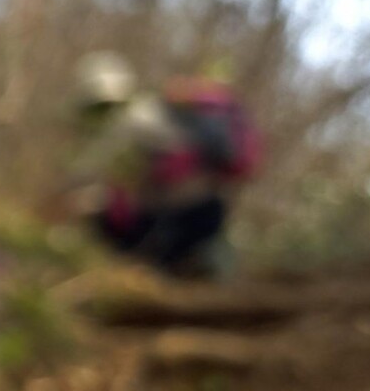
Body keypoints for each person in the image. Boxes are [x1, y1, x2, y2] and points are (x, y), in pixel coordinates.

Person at [68, 52, 259, 276]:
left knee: (145, 253)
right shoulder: (161, 112)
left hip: (173, 207)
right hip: (204, 205)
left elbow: (100, 162)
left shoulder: (136, 115)